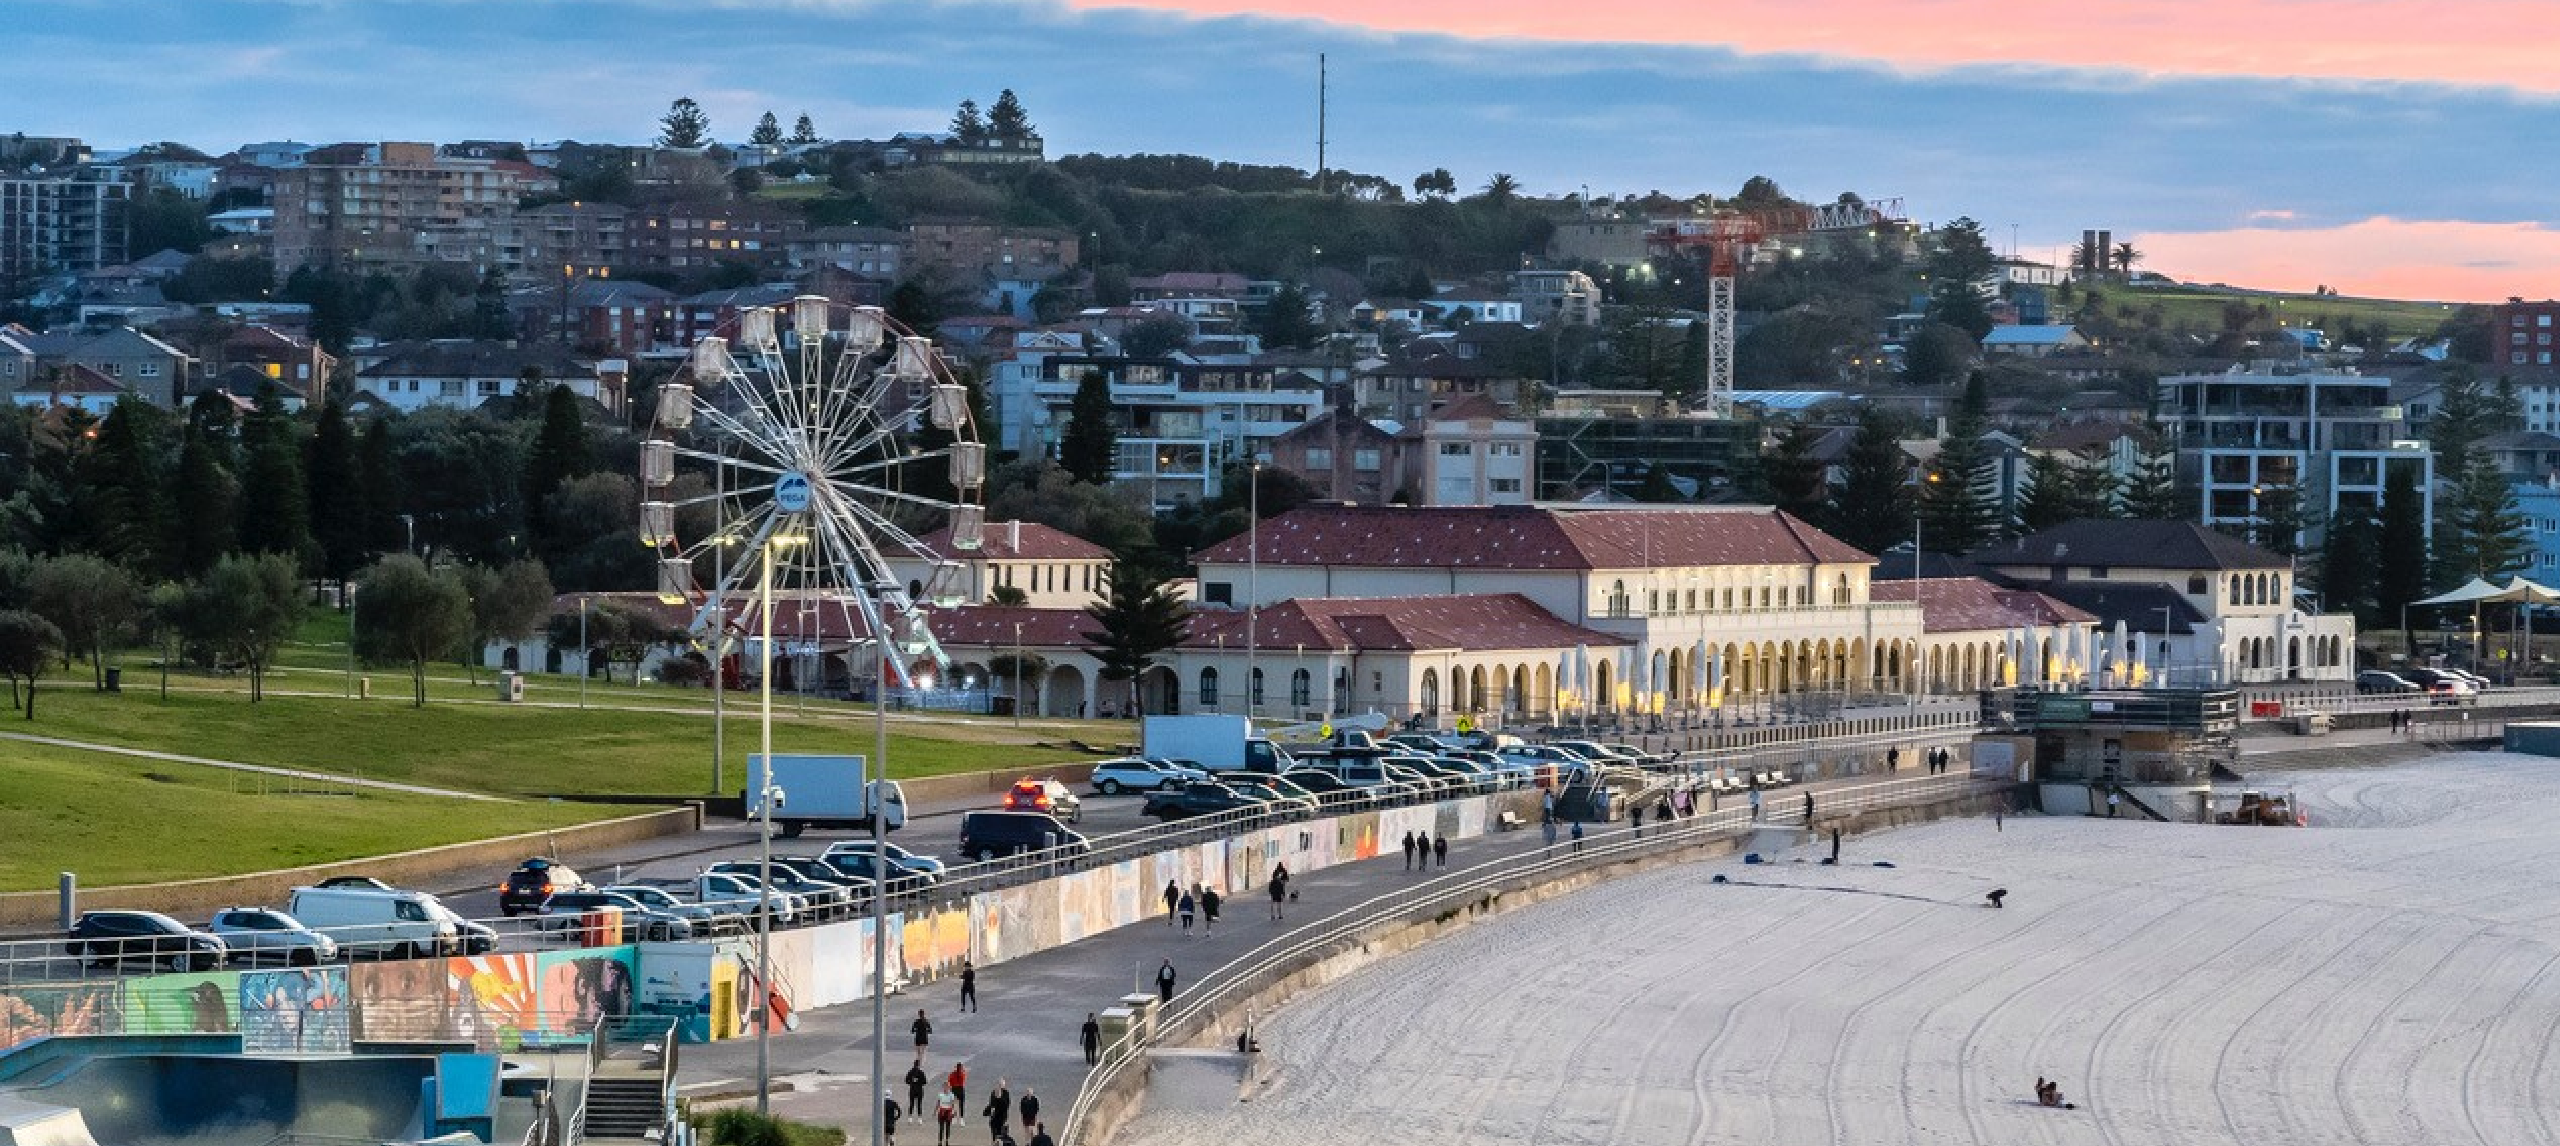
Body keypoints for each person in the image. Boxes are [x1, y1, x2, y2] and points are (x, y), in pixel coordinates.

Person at [905, 1057, 929, 1123]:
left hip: (912, 1089)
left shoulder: (910, 1072)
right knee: (919, 1104)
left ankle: (910, 1118)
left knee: (911, 1104)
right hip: (919, 1090)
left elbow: (906, 1081)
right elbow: (925, 1082)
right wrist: (919, 1082)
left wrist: (912, 1082)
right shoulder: (921, 1072)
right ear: (919, 1065)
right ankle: (919, 1119)